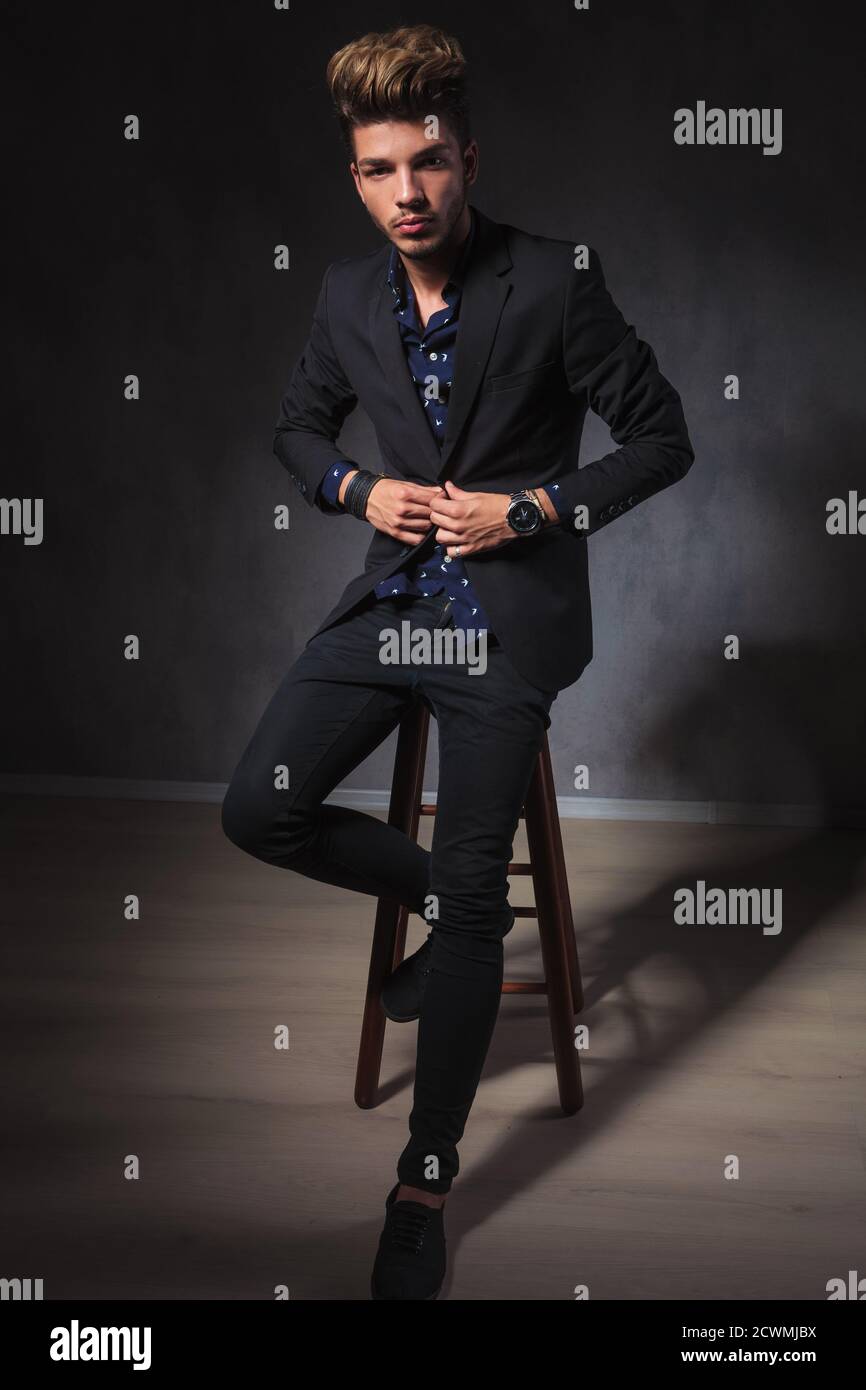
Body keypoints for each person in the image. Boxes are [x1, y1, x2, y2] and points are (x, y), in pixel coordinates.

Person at [221, 22, 695, 1300]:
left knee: (478, 893)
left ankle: (422, 1181)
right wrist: (352, 487)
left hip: (508, 621)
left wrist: (530, 510)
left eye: (425, 165)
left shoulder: (549, 281)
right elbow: (294, 429)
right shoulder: (339, 293)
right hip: (392, 605)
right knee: (256, 809)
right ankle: (454, 897)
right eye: (378, 171)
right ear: (356, 177)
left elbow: (662, 440)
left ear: (466, 158)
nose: (407, 195)